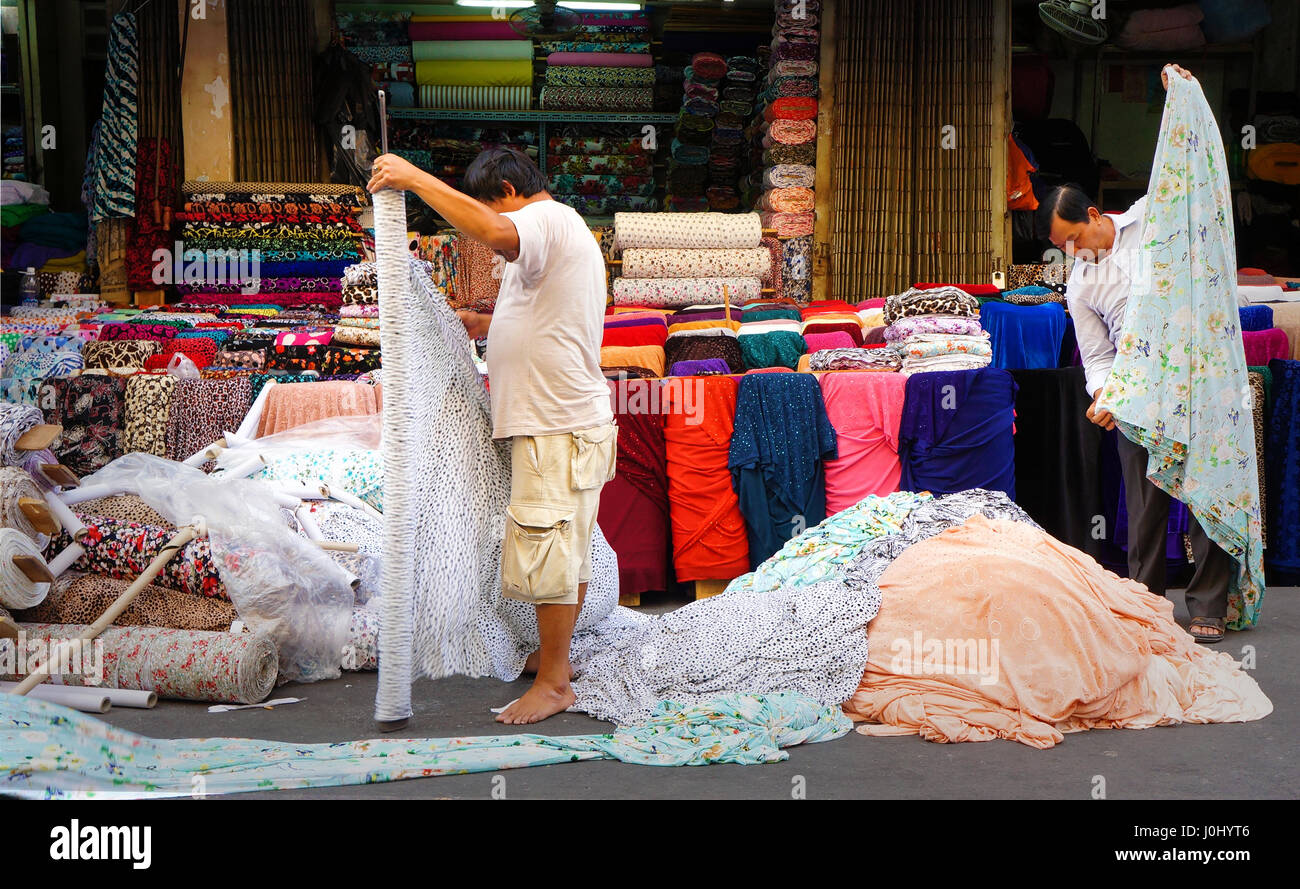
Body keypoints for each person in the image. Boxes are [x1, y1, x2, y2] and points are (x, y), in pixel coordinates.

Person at [368, 147, 617, 721]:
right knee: (562, 550)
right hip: (561, 422)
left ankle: (554, 682)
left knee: (551, 550)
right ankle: (552, 660)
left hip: (556, 422)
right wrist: (482, 324)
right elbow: (540, 311)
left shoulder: (546, 219)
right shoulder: (556, 235)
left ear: (507, 190)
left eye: (487, 206)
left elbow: (495, 231)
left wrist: (413, 178)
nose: (485, 226)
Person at [1036, 63, 1233, 644]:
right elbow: (1095, 356)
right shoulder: (1079, 284)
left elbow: (1187, 169)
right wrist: (1104, 396)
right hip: (1133, 386)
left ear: (1095, 216)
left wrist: (1185, 99)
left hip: (1193, 374)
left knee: (1204, 486)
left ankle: (1208, 603)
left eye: (1073, 237)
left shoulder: (1154, 217)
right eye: (1060, 246)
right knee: (1143, 499)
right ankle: (1147, 603)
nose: (1072, 251)